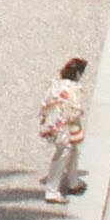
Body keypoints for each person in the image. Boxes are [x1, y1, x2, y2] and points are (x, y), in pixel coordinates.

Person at [37, 56, 90, 201]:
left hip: (54, 123)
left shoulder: (55, 85)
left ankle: (73, 182)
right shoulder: (74, 89)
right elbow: (75, 109)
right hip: (66, 126)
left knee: (72, 151)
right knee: (62, 155)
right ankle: (52, 191)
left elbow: (45, 103)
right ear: (78, 74)